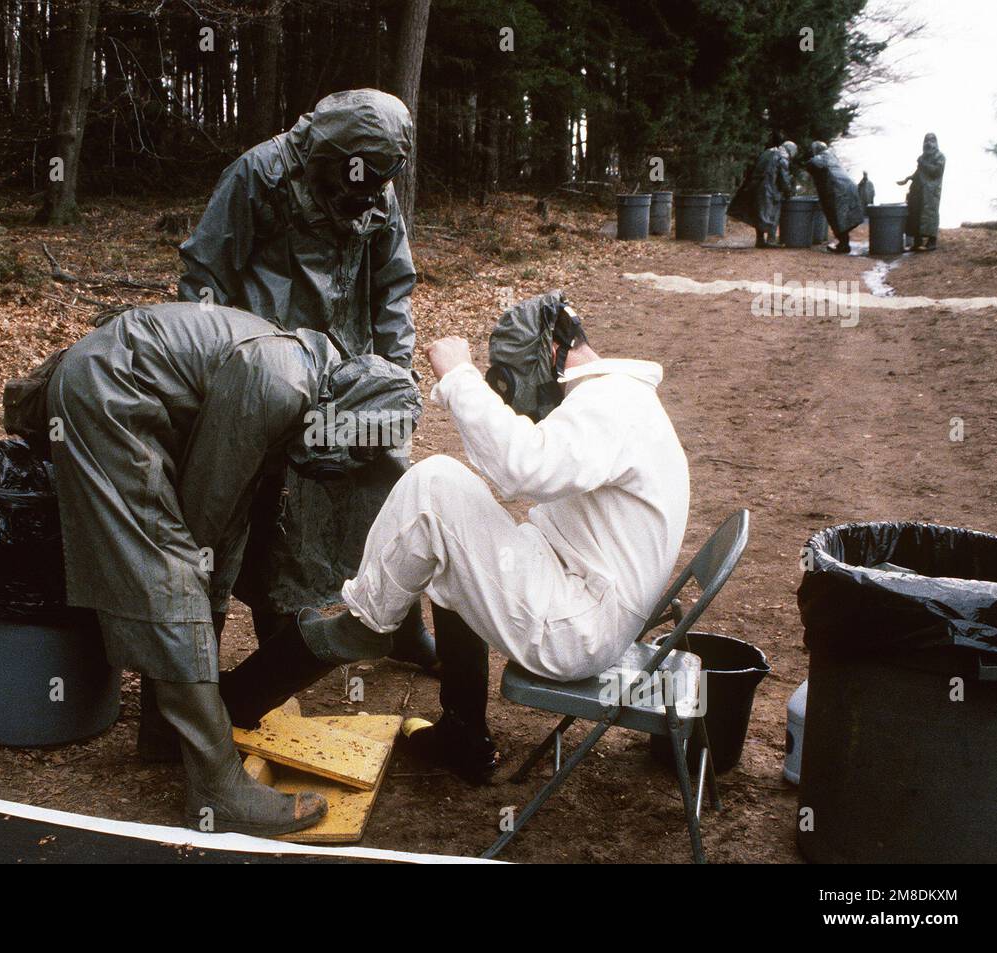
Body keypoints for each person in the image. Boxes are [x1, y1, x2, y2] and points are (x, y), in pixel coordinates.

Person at [218, 292, 691, 784]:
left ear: (552, 351)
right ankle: (463, 736)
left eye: (510, 379)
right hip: (586, 599)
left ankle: (347, 637)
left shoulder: (611, 403)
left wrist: (461, 374)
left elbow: (522, 466)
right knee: (449, 529)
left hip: (579, 625)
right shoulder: (619, 397)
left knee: (435, 483)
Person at [46, 302, 420, 835]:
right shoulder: (281, 382)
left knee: (204, 561)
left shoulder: (311, 375)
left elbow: (231, 517)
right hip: (110, 395)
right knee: (169, 569)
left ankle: (167, 732)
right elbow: (204, 515)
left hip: (136, 395)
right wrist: (196, 597)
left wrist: (212, 582)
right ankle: (217, 788)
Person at [176, 88, 437, 673]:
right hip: (264, 372)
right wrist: (212, 374)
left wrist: (395, 376)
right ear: (329, 154)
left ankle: (400, 624)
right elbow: (204, 278)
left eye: (377, 179)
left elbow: (393, 288)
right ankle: (207, 667)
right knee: (239, 511)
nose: (365, 190)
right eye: (355, 176)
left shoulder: (378, 185)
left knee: (386, 487)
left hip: (348, 370)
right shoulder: (259, 175)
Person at [807, 141, 865, 254]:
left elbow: (812, 163)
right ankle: (844, 243)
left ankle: (843, 245)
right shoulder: (832, 156)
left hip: (837, 189)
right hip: (848, 186)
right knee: (843, 218)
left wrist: (808, 161)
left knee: (836, 217)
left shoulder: (822, 157)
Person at [899, 133, 945, 250]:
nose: (928, 143)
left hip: (931, 192)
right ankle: (917, 241)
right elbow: (918, 172)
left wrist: (922, 163)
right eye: (926, 140)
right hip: (918, 190)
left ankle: (931, 241)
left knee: (930, 215)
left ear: (935, 142)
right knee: (915, 214)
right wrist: (909, 178)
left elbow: (936, 172)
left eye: (931, 140)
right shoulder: (923, 157)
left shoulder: (940, 157)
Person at [750, 141, 797, 248]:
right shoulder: (782, 158)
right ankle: (771, 240)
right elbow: (784, 179)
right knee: (773, 214)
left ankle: (760, 240)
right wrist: (788, 192)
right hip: (771, 190)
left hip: (758, 187)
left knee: (760, 213)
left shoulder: (768, 152)